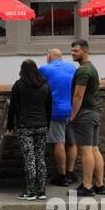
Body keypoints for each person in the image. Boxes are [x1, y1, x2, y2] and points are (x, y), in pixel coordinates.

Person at [6, 59, 52, 201]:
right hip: (42, 125)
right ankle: (41, 191)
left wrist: (10, 126)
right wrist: (47, 124)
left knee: (29, 158)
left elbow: (12, 107)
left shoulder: (19, 85)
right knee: (40, 157)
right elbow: (49, 107)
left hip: (25, 126)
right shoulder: (45, 86)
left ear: (22, 70)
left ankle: (30, 192)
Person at [66, 39, 105, 197]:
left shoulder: (83, 71)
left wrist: (73, 116)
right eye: (72, 50)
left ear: (85, 51)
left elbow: (78, 95)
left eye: (76, 51)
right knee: (95, 149)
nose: (72, 53)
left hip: (85, 114)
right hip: (94, 112)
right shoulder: (92, 68)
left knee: (86, 150)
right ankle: (100, 185)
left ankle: (87, 186)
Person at [38, 47, 79, 186]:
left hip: (56, 110)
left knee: (59, 142)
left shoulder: (44, 69)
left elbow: (37, 86)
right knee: (72, 142)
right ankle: (70, 172)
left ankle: (61, 177)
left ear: (49, 57)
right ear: (61, 57)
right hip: (72, 110)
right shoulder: (72, 67)